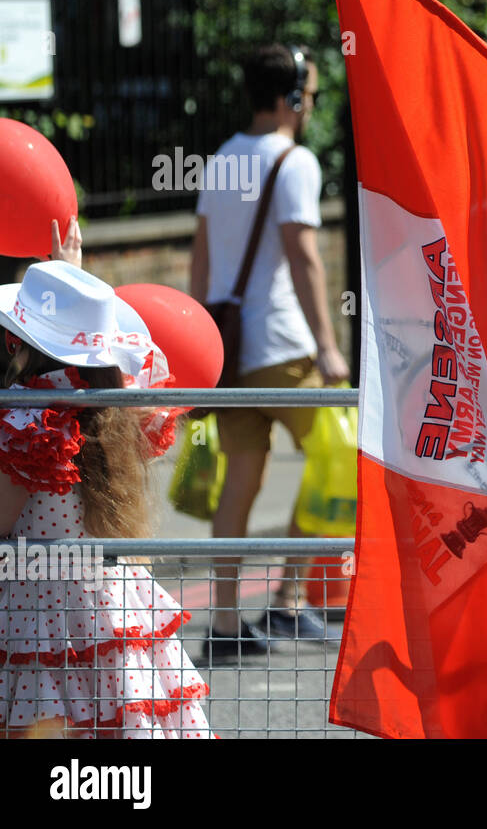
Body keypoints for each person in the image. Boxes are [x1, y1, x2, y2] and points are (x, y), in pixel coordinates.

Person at [0, 261, 212, 737]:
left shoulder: (29, 423)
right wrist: (70, 274)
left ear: (19, 343)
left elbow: (1, 518)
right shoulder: (116, 405)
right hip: (115, 601)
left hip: (42, 609)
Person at [191, 44, 350, 661]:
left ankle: (225, 622)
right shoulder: (296, 162)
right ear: (289, 100)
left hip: (230, 356)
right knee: (338, 460)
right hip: (286, 347)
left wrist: (201, 340)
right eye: (307, 95)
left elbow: (202, 258)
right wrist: (329, 346)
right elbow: (305, 255)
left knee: (241, 483)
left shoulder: (223, 159)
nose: (309, 106)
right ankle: (286, 603)